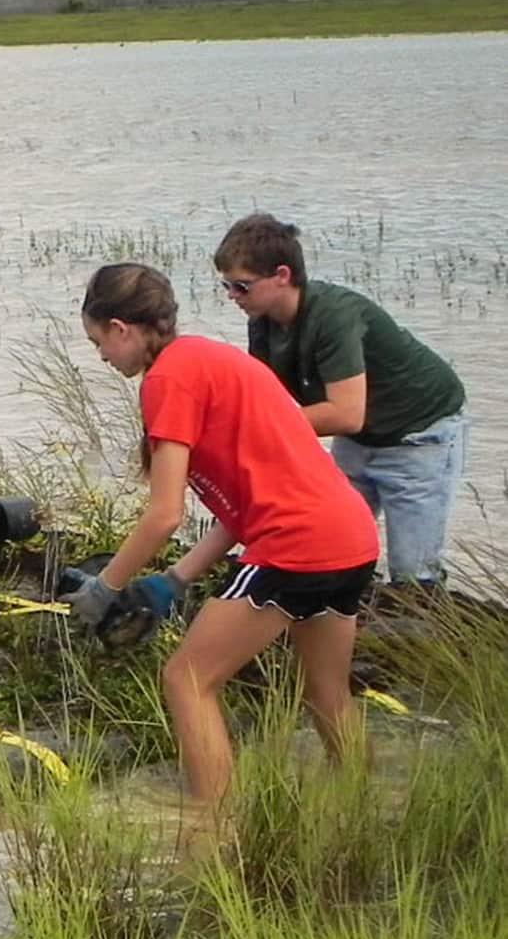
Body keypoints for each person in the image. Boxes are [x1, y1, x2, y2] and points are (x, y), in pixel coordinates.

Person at [70, 263, 380, 806]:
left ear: (121, 328)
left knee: (187, 680)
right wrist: (174, 580)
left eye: (99, 342)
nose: (101, 356)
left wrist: (105, 588)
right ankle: (363, 805)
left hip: (295, 544)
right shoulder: (212, 358)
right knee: (326, 689)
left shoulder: (167, 379)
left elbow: (164, 515)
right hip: (351, 537)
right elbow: (246, 506)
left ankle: (213, 822)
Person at [214, 214, 468, 588]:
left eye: (241, 286)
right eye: (227, 286)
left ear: (282, 275)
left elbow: (346, 414)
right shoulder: (262, 321)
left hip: (420, 433)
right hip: (360, 439)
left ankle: (424, 613)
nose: (232, 296)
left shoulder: (333, 316)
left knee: (413, 574)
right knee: (331, 545)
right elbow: (265, 400)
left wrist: (257, 427)